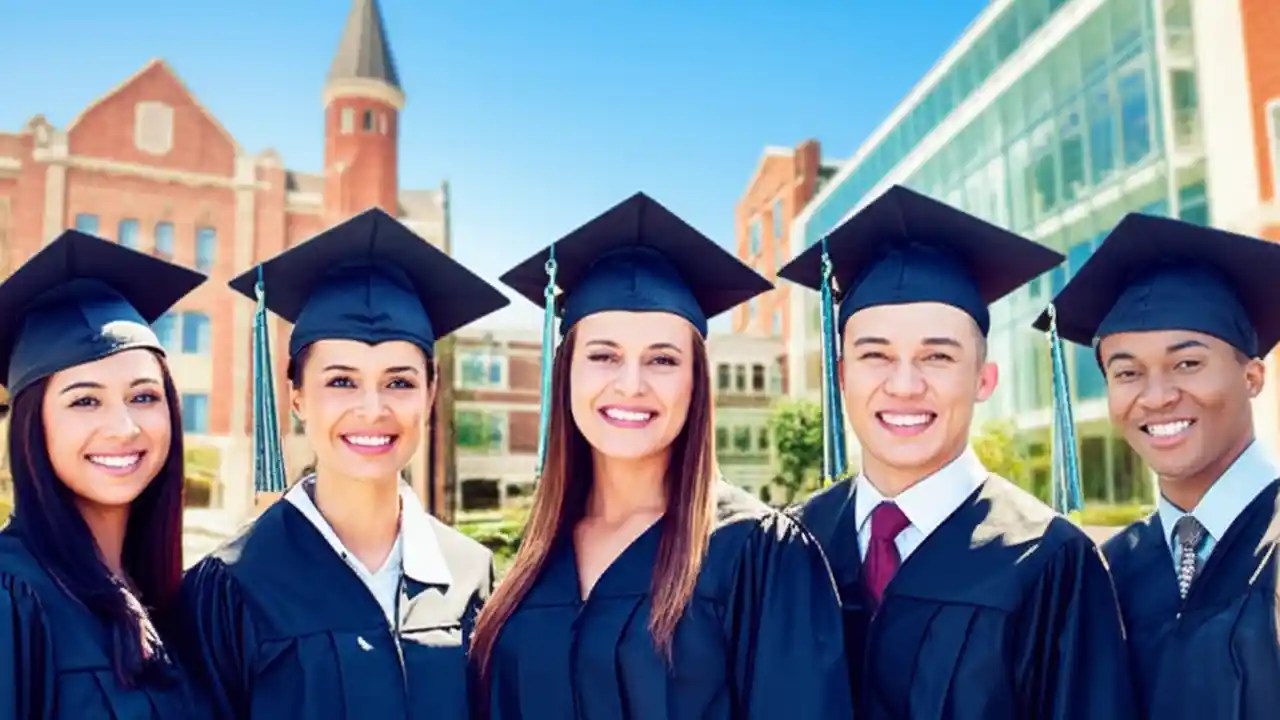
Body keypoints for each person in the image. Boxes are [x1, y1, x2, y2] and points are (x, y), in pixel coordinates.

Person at [470, 192, 854, 719]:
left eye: (663, 359)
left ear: (697, 383)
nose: (631, 384)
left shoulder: (758, 554)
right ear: (566, 373)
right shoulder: (537, 561)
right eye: (604, 355)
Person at [779, 185, 1137, 719]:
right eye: (875, 355)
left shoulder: (1049, 558)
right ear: (841, 376)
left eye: (937, 357)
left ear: (984, 379)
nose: (904, 385)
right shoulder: (789, 547)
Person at [178, 208, 509, 720]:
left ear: (431, 392)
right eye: (340, 381)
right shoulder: (229, 585)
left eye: (399, 382)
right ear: (296, 399)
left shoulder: (470, 574)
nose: (373, 409)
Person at [1036, 213, 1280, 718]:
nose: (1157, 397)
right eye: (1127, 372)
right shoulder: (1102, 573)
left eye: (1187, 364)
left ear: (1252, 376)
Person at [0, 231, 209, 718]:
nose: (124, 427)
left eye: (143, 396)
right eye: (85, 400)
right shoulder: (12, 597)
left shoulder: (169, 600)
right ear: (35, 424)